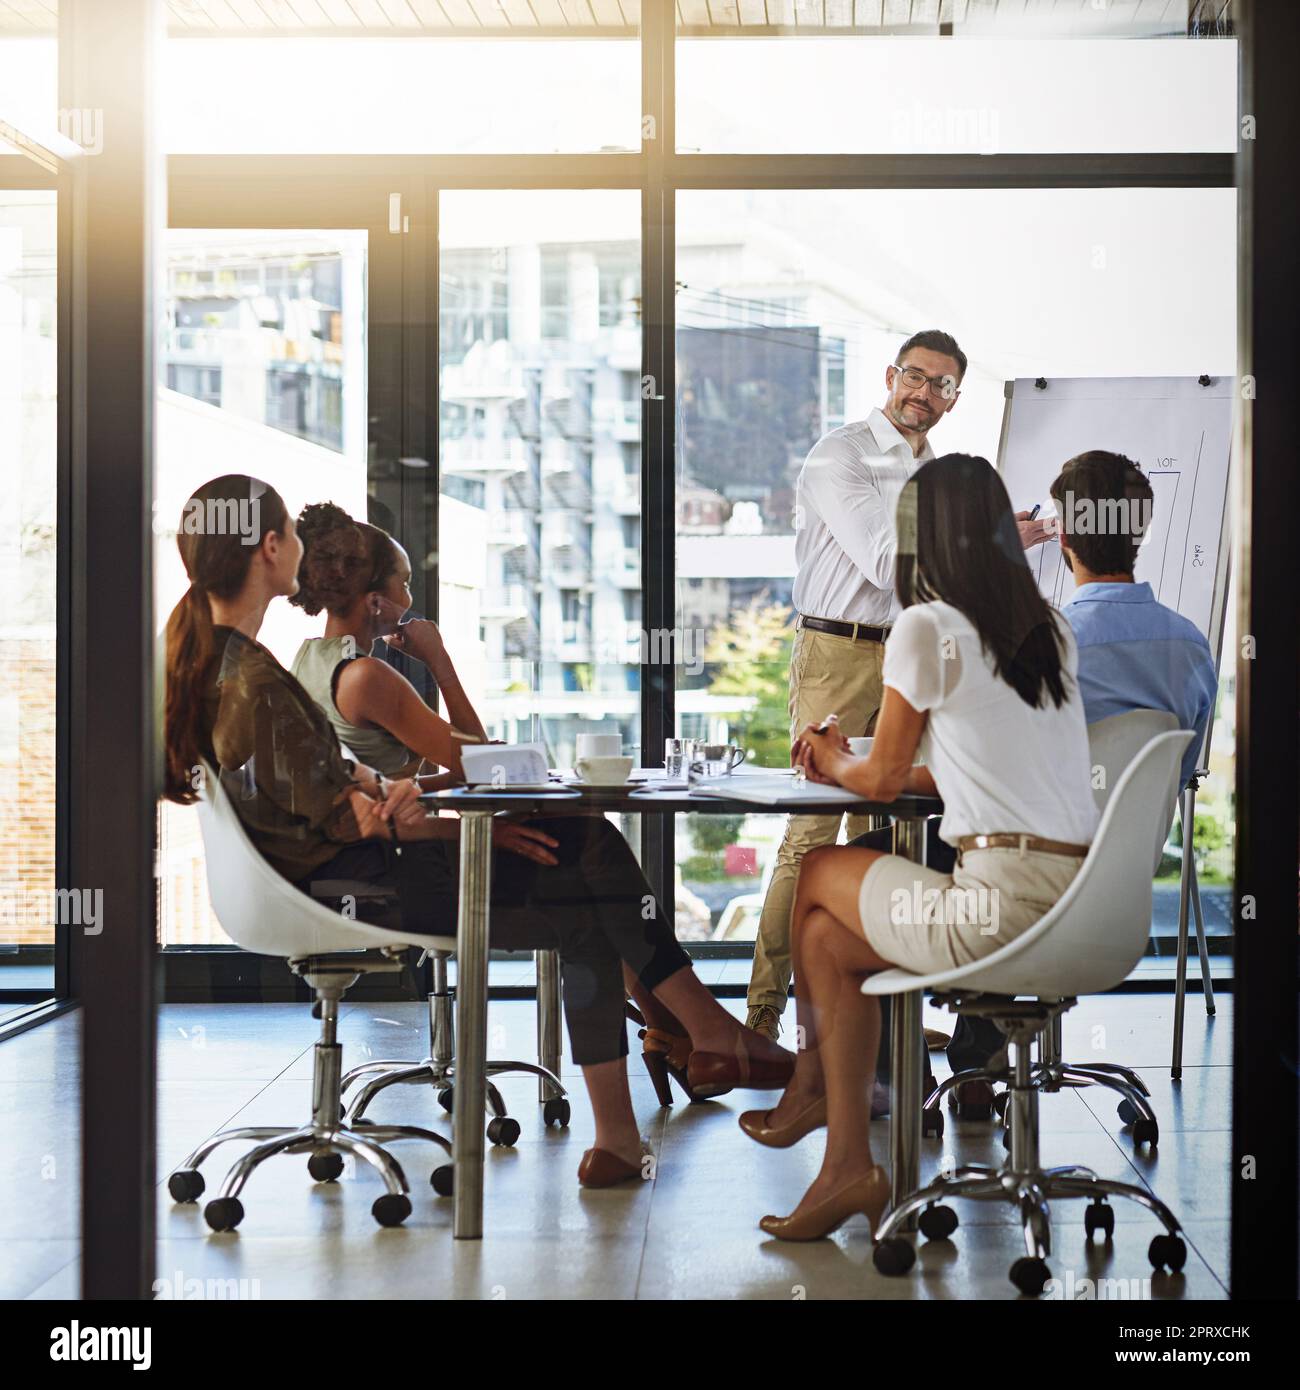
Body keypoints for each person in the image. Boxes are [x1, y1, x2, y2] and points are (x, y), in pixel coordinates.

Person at [162, 475, 794, 1190]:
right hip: (351, 884)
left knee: (580, 856)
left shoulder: (228, 661)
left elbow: (332, 794)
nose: (303, 550)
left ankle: (659, 1089)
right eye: (293, 535)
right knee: (582, 859)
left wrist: (387, 794)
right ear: (269, 548)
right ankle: (692, 1049)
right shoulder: (254, 678)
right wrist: (465, 834)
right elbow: (355, 819)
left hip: (321, 876)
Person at [738, 455, 1099, 1241]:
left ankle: (813, 1089)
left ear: (917, 536)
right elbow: (979, 768)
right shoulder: (1050, 629)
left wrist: (826, 752)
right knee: (830, 936)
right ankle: (846, 1167)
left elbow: (883, 778)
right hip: (1082, 902)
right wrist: (863, 763)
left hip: (998, 908)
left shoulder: (925, 626)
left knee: (825, 866)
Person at [287, 499, 744, 1104]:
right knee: (590, 853)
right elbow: (482, 760)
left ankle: (680, 1031)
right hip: (395, 870)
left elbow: (395, 785)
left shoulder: (310, 662)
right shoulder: (369, 679)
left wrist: (445, 782)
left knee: (583, 844)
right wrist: (439, 661)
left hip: (378, 858)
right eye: (403, 580)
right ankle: (693, 1031)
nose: (410, 592)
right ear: (375, 599)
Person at [745, 330, 1052, 1045]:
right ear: (891, 376)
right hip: (838, 653)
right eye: (915, 376)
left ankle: (875, 1023)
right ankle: (762, 1022)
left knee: (890, 841)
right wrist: (996, 533)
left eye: (941, 385)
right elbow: (888, 562)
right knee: (811, 839)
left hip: (917, 654)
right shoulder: (841, 456)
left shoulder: (935, 469)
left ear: (952, 399)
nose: (924, 393)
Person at [944, 450, 1220, 1085]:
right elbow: (1178, 774)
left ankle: (933, 1080)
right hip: (1123, 895)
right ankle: (980, 1065)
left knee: (885, 859)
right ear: (1138, 534)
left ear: (1062, 538)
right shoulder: (1190, 644)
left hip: (1025, 887)